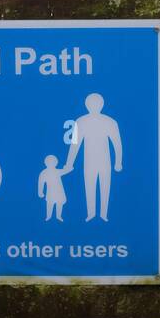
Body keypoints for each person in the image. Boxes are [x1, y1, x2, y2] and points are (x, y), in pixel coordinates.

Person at [63, 93, 122, 222]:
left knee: (105, 186)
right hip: (89, 161)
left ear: (101, 105)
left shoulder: (110, 122)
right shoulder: (81, 121)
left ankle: (104, 214)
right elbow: (75, 145)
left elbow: (117, 144)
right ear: (87, 105)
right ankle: (90, 213)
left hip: (105, 161)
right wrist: (69, 163)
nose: (94, 106)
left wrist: (118, 162)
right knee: (89, 186)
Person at [37, 155, 68, 221]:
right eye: (49, 162)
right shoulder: (44, 173)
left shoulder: (57, 171)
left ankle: (59, 216)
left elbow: (65, 171)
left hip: (59, 191)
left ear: (56, 163)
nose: (51, 164)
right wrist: (40, 192)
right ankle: (48, 216)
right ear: (46, 163)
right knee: (50, 204)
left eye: (53, 162)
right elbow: (41, 183)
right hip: (50, 192)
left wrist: (68, 168)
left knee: (59, 203)